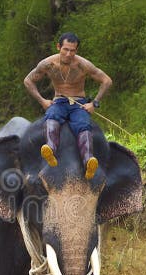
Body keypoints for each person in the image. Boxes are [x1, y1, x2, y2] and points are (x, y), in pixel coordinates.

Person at [23, 32, 112, 179]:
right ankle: (50, 149)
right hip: (59, 101)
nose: (69, 54)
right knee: (52, 115)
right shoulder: (48, 64)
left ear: (76, 50)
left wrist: (94, 103)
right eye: (65, 49)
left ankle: (89, 161)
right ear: (58, 47)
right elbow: (28, 80)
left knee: (83, 124)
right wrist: (42, 100)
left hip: (79, 102)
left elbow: (106, 80)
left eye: (72, 50)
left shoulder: (82, 65)